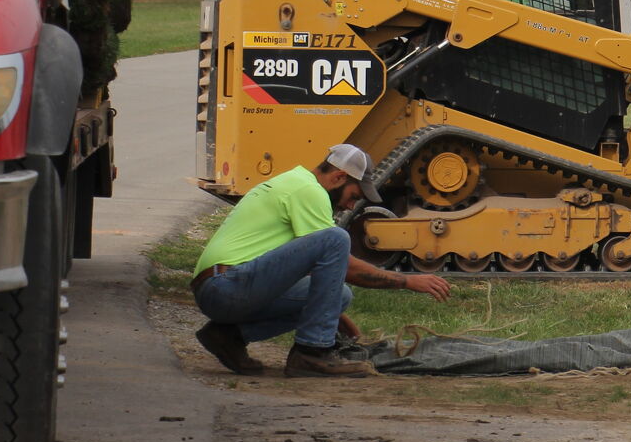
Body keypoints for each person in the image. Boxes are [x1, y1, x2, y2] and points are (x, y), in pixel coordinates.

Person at [190, 143, 452, 378]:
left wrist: (333, 315)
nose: (351, 206)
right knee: (335, 239)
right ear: (339, 177)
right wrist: (407, 281)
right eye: (354, 196)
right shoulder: (309, 190)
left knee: (341, 296)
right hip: (226, 286)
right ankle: (312, 353)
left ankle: (228, 337)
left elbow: (318, 272)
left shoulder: (296, 182)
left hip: (223, 287)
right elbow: (345, 265)